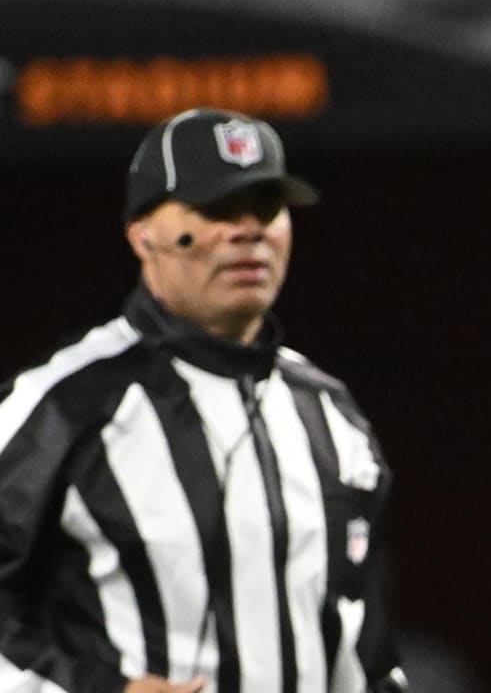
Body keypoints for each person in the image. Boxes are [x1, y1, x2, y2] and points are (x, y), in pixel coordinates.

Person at [0, 108, 409, 693]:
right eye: (216, 209)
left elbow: (360, 643)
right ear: (143, 235)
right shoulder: (61, 406)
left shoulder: (331, 417)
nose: (247, 230)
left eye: (266, 207)